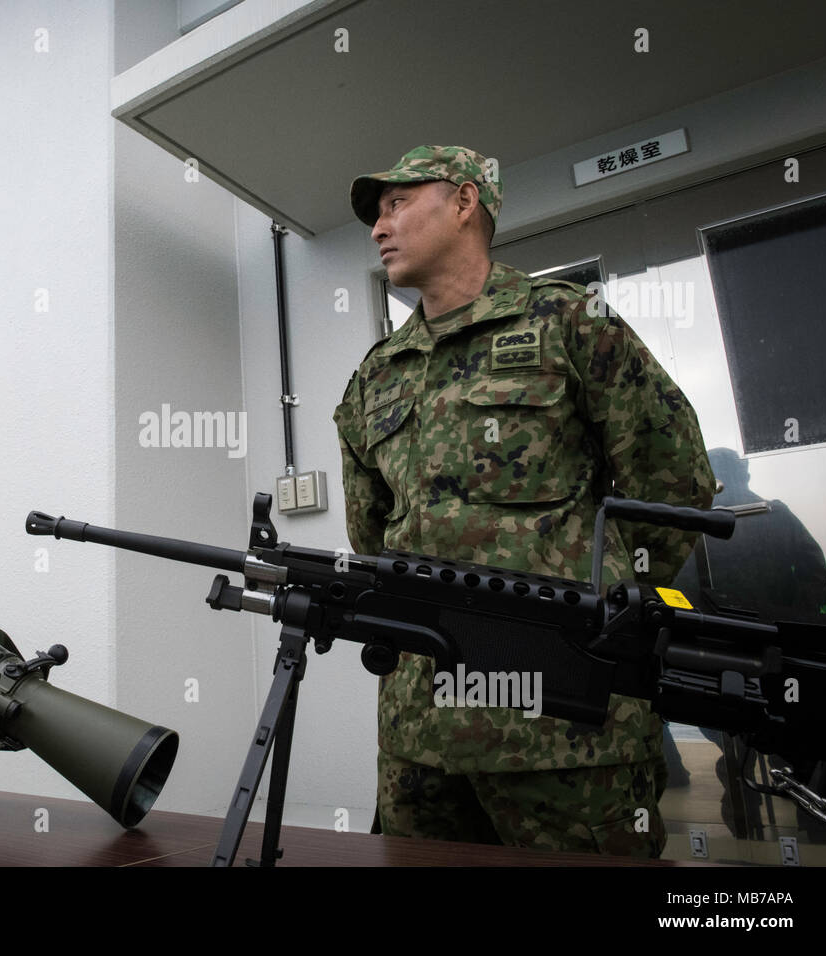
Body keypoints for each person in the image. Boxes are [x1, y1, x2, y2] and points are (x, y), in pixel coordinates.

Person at [332, 145, 716, 857]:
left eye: (397, 203)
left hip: (565, 732)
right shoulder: (373, 379)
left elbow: (674, 483)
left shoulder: (570, 323)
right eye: (374, 215)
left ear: (465, 202)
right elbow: (374, 539)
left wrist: (597, 604)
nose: (379, 226)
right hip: (422, 738)